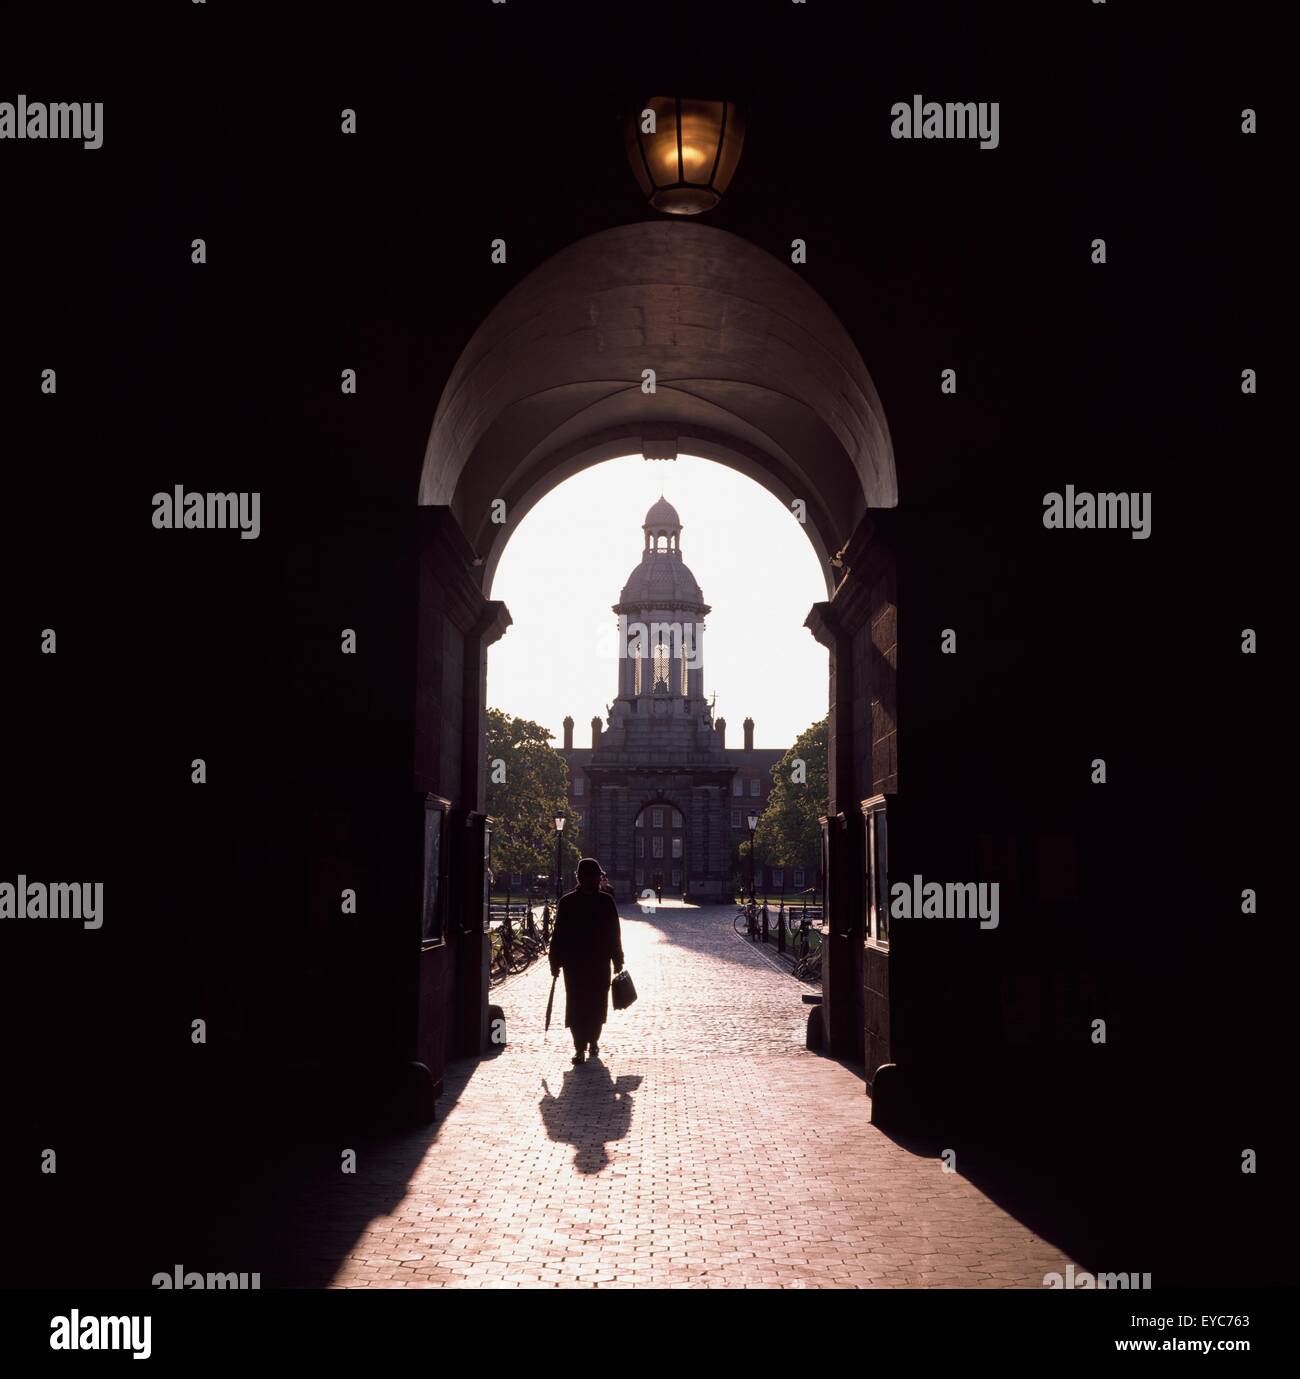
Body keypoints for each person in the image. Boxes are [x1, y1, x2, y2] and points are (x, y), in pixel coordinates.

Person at [549, 856, 625, 1065]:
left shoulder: (606, 901)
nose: (595, 881)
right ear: (581, 878)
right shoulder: (567, 902)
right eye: (592, 877)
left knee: (597, 1004)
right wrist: (554, 961)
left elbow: (614, 933)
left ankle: (593, 1040)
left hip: (599, 963)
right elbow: (559, 934)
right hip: (575, 964)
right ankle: (579, 1046)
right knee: (576, 1004)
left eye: (596, 877)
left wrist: (618, 960)